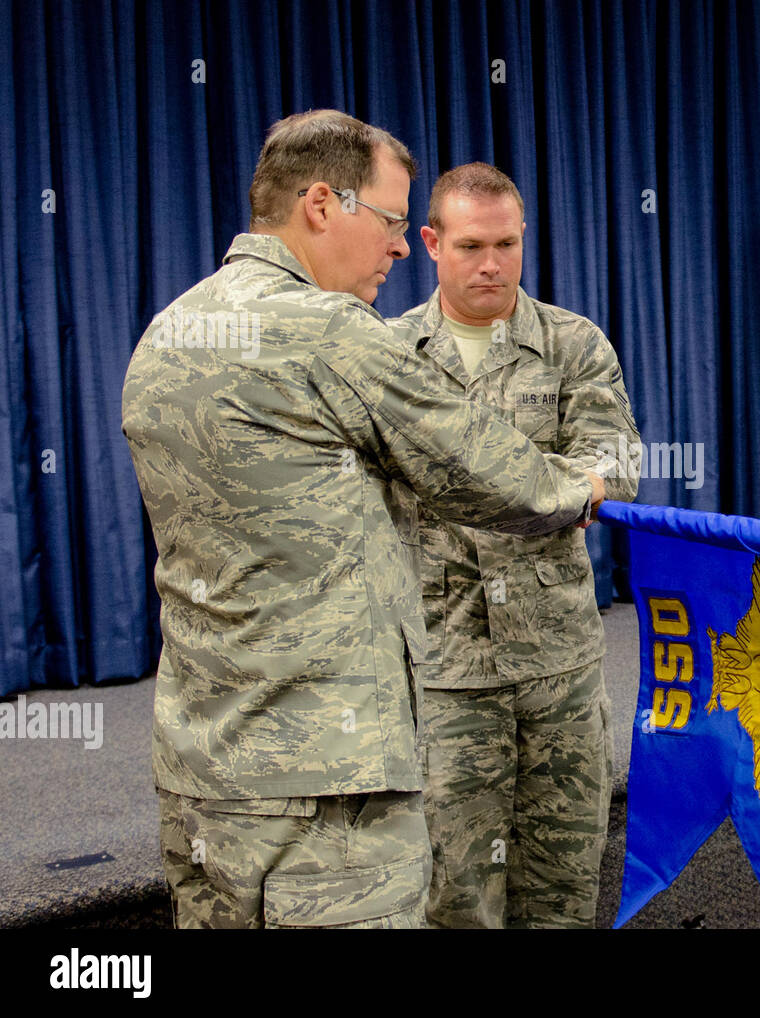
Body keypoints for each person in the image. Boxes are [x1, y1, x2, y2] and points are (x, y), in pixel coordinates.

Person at [120, 112, 605, 929]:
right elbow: (490, 474)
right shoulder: (328, 331)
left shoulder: (169, 332)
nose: (396, 247)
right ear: (320, 204)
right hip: (329, 791)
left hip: (203, 776)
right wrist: (581, 485)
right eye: (387, 220)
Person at [387, 163, 641, 928]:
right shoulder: (388, 354)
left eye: (506, 243)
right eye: (469, 246)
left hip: (556, 664)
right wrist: (550, 488)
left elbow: (618, 460)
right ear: (430, 242)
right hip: (445, 671)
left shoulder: (570, 345)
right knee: (456, 892)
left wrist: (582, 481)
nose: (491, 263)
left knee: (563, 882)